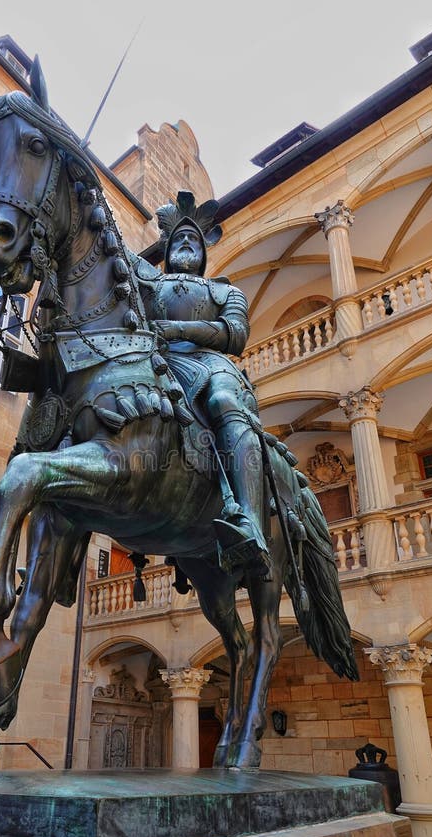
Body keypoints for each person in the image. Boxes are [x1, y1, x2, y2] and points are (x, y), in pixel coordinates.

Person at [136, 191, 271, 578]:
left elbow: (236, 334)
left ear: (204, 252)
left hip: (207, 363)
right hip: (155, 361)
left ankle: (250, 522)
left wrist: (177, 328)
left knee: (225, 401)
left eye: (192, 240)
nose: (184, 244)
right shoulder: (148, 283)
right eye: (177, 239)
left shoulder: (225, 291)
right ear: (166, 248)